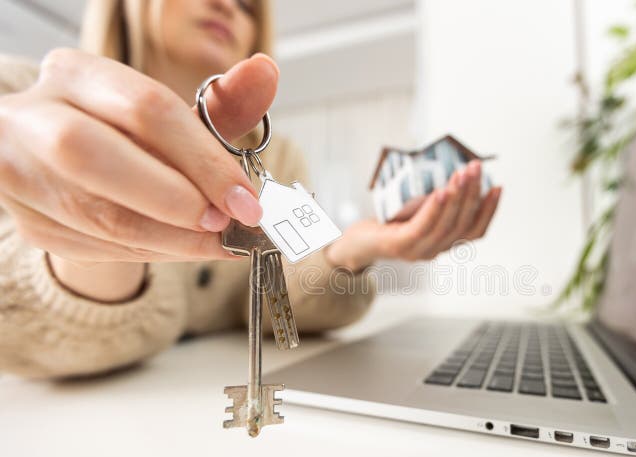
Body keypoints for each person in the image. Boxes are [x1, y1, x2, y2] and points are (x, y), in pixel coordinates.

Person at [0, 0, 501, 379]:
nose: (227, 7)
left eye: (247, 6)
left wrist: (353, 248)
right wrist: (94, 225)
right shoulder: (22, 100)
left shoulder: (276, 158)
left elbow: (274, 292)